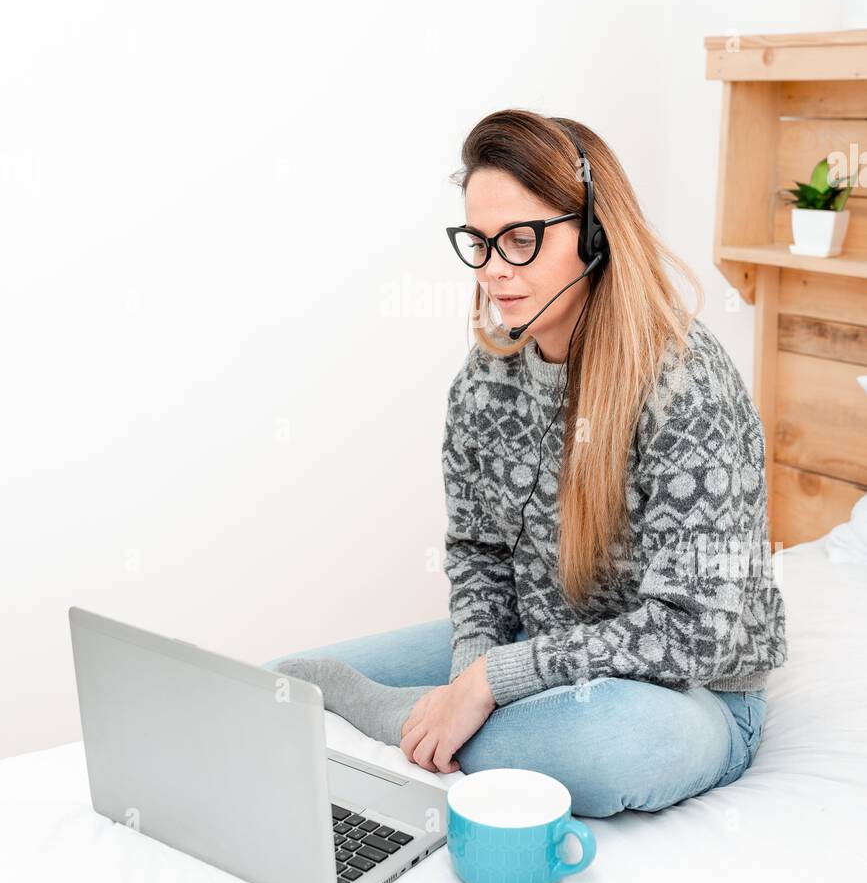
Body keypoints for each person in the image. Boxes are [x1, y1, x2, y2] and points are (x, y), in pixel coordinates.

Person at [264, 109, 787, 816]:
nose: (495, 273)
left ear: (595, 234)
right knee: (275, 684)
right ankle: (440, 723)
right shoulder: (485, 378)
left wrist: (490, 683)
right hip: (536, 646)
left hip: (693, 695)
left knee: (608, 745)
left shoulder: (687, 382)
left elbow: (702, 628)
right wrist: (467, 669)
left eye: (521, 240)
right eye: (479, 245)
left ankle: (394, 722)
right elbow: (478, 553)